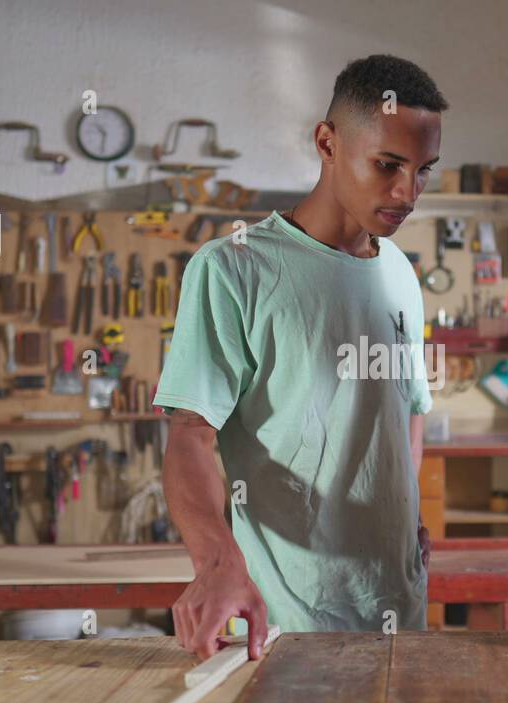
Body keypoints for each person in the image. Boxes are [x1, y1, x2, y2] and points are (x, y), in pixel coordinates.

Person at [154, 55, 445, 658]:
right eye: (388, 165)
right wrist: (216, 561)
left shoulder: (400, 274)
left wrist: (406, 512)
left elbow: (408, 409)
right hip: (284, 619)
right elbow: (189, 436)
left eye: (423, 171)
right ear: (327, 142)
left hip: (397, 606)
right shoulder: (233, 267)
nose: (406, 192)